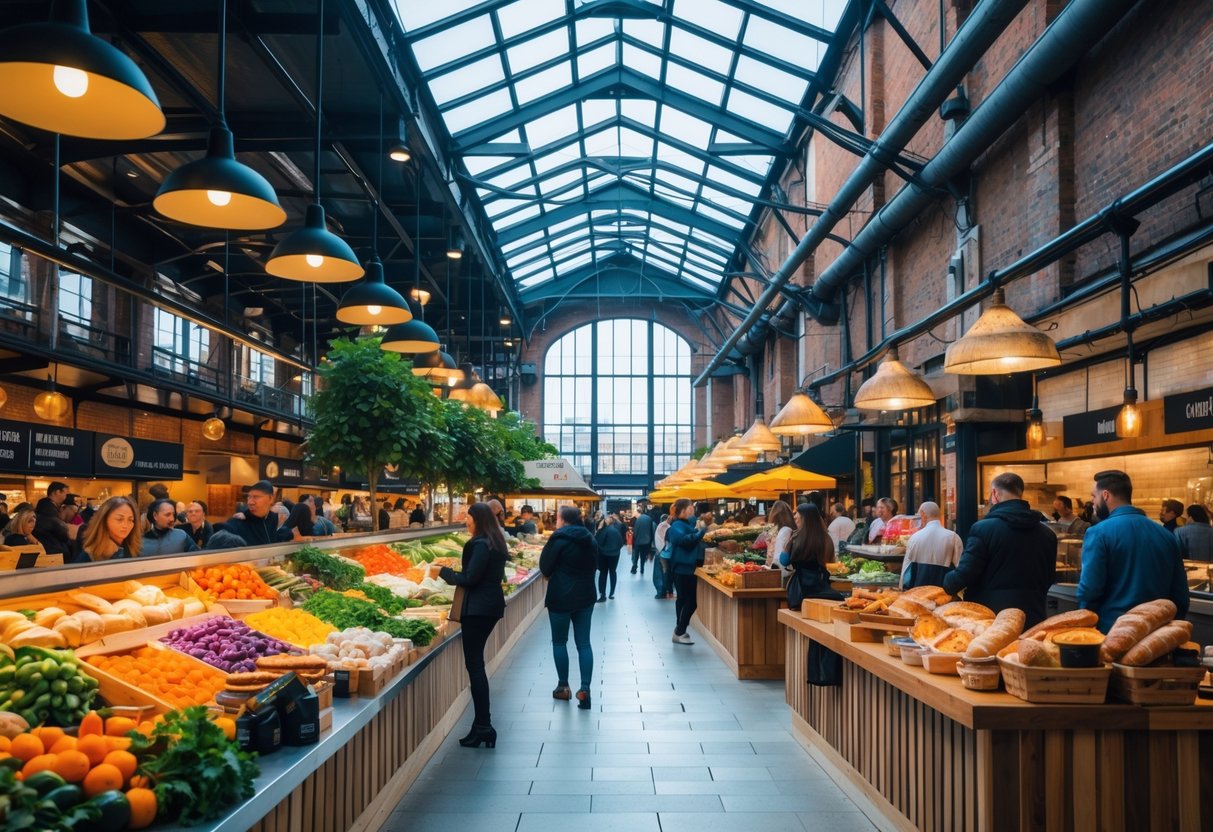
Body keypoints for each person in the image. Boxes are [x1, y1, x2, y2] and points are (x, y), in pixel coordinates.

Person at [1077, 470, 1190, 631]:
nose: (1092, 502)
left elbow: (1090, 590)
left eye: (1094, 496)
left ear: (1106, 495)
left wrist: (1084, 630)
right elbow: (1180, 596)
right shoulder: (1166, 535)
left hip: (1111, 633)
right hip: (1156, 634)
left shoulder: (1098, 533)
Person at [943, 473, 1057, 627]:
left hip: (990, 619)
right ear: (1020, 493)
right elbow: (1049, 578)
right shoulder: (1047, 534)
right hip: (1032, 616)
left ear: (995, 493)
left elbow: (965, 573)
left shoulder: (983, 529)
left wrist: (947, 582)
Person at [438, 502, 508, 749]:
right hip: (490, 606)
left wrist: (442, 572)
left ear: (477, 519)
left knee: (475, 666)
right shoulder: (496, 541)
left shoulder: (480, 544)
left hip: (478, 608)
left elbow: (469, 578)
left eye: (468, 515)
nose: (465, 519)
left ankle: (484, 726)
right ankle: (481, 726)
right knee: (476, 664)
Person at [539, 505, 598, 710]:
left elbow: (544, 567)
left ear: (563, 520)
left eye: (557, 518)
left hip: (560, 598)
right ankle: (585, 691)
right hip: (586, 596)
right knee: (584, 644)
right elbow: (595, 565)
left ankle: (563, 687)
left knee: (559, 642)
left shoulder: (558, 539)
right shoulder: (590, 538)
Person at [780, 503, 841, 608]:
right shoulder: (826, 539)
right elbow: (831, 564)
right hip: (821, 587)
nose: (795, 520)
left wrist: (788, 543)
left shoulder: (795, 538)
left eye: (797, 518)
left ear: (803, 519)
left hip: (799, 590)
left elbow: (784, 561)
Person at [668, 500, 712, 644]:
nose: (692, 511)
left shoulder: (686, 524)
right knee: (690, 601)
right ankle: (680, 631)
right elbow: (687, 541)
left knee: (682, 600)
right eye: (690, 508)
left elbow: (693, 528)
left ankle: (680, 630)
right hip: (683, 568)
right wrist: (703, 529)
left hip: (687, 567)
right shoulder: (676, 526)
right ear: (683, 510)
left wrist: (702, 524)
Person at [901, 502, 962, 589]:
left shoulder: (914, 538)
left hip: (918, 592)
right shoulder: (953, 537)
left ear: (923, 514)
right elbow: (960, 567)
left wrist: (902, 589)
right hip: (944, 592)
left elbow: (906, 570)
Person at [219, 481, 292, 547]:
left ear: (270, 499)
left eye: (256, 497)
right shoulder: (235, 523)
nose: (250, 502)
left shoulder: (276, 520)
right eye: (249, 497)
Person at [81, 497, 141, 561]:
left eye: (130, 520)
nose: (125, 525)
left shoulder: (132, 549)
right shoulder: (89, 556)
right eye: (119, 519)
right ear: (104, 520)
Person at [33, 482, 75, 556]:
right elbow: (59, 529)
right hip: (52, 549)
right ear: (57, 492)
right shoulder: (47, 508)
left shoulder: (48, 507)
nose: (65, 497)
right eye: (65, 494)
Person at [594, 515, 624, 601]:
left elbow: (597, 543)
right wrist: (616, 550)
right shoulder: (616, 531)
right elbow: (621, 542)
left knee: (603, 573)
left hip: (603, 555)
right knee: (613, 572)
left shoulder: (601, 531)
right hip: (615, 555)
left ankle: (602, 595)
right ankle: (612, 593)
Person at [767, 501, 795, 568]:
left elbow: (778, 556)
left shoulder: (784, 531)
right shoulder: (788, 529)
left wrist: (771, 568)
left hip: (781, 570)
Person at [653, 511, 673, 599]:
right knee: (666, 573)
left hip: (661, 553)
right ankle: (666, 591)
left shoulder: (662, 526)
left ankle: (661, 592)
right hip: (668, 554)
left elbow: (660, 540)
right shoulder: (669, 527)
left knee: (659, 573)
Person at [630, 509, 654, 576]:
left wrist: (634, 538)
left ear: (638, 512)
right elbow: (651, 530)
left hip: (637, 541)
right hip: (646, 542)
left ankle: (634, 568)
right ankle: (642, 569)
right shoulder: (649, 519)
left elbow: (635, 531)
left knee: (636, 556)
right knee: (643, 556)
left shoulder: (638, 520)